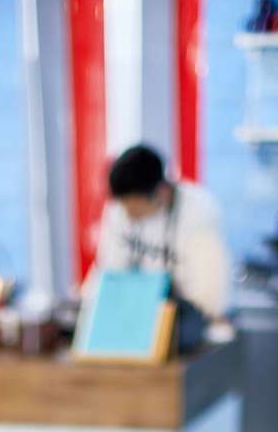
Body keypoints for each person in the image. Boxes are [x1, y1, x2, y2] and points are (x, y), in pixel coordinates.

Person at [95, 143, 231, 344]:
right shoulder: (118, 211)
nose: (129, 216)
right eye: (125, 208)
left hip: (185, 319)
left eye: (136, 210)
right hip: (135, 318)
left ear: (161, 191)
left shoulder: (199, 213)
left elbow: (210, 295)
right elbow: (111, 271)